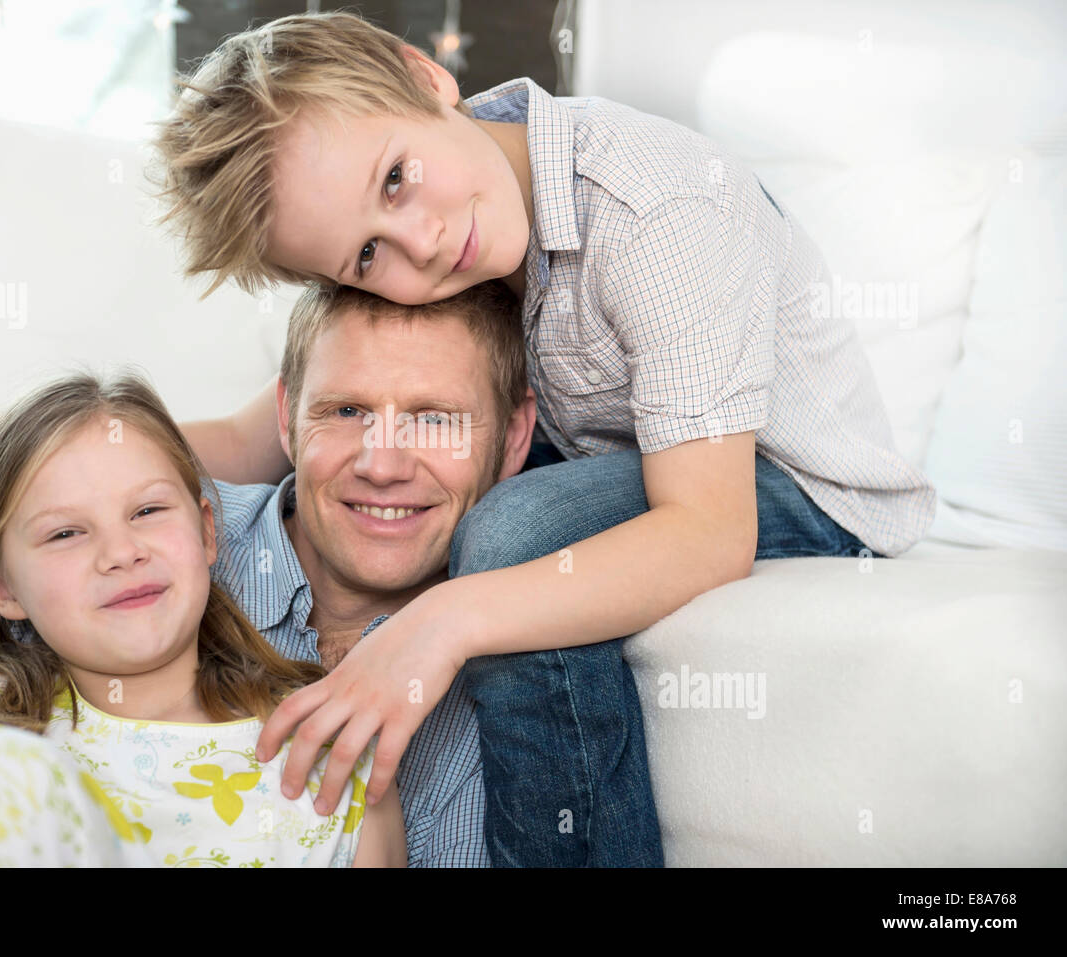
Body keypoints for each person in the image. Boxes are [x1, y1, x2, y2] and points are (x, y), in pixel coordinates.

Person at [140, 8, 937, 868]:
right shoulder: (461, 224)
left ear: (427, 76)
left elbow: (710, 529)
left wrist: (443, 620)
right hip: (619, 454)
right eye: (367, 257)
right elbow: (245, 437)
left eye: (398, 178)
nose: (422, 241)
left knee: (511, 536)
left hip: (784, 479)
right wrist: (21, 471)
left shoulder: (658, 206)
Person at [0, 279, 559, 867]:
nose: (383, 464)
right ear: (286, 418)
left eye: (434, 417)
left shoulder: (438, 732)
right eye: (345, 411)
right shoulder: (0, 698)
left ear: (517, 432)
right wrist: (19, 485)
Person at [0, 369, 406, 867]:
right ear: (1, 587)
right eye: (67, 532)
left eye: (148, 512)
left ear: (209, 533)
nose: (121, 552)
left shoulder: (332, 755)